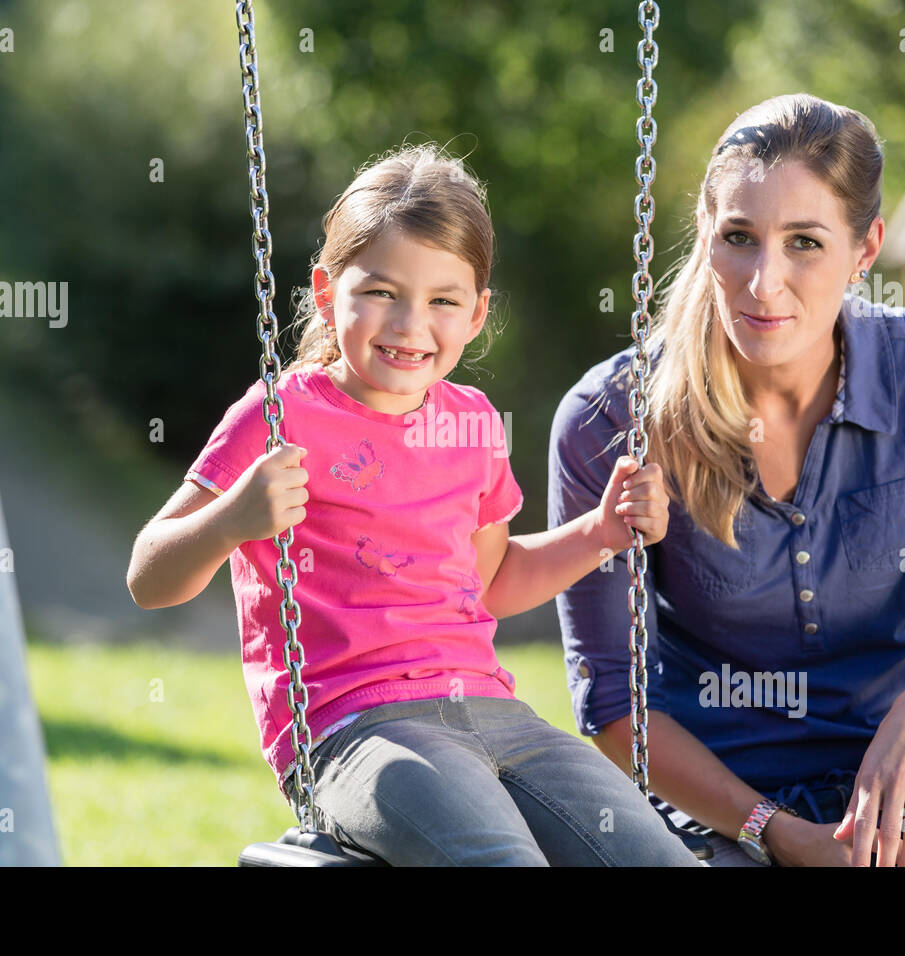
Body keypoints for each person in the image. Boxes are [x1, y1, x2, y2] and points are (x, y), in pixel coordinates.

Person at [549, 93, 905, 867]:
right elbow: (614, 706)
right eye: (738, 238)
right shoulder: (611, 418)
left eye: (804, 242)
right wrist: (776, 833)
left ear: (866, 248)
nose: (764, 283)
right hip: (715, 817)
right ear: (706, 235)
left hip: (904, 785)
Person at [126, 143, 701, 866]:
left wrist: (599, 532)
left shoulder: (473, 421)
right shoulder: (280, 414)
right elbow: (149, 576)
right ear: (326, 289)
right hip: (357, 728)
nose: (409, 325)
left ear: (477, 313)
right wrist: (233, 519)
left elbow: (491, 582)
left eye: (442, 301)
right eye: (381, 292)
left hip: (499, 718)